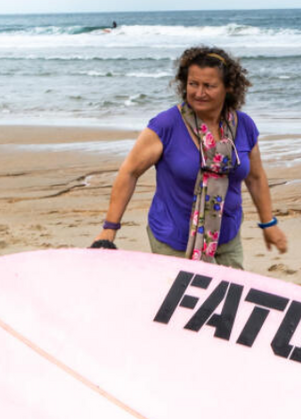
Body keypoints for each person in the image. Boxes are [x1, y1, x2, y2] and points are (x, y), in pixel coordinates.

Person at [93, 45, 288, 268]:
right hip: (174, 240)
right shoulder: (166, 125)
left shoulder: (243, 125)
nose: (199, 93)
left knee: (225, 299)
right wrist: (110, 228)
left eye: (209, 86)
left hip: (227, 237)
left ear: (229, 88)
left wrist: (268, 223)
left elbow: (255, 177)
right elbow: (129, 172)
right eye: (193, 84)